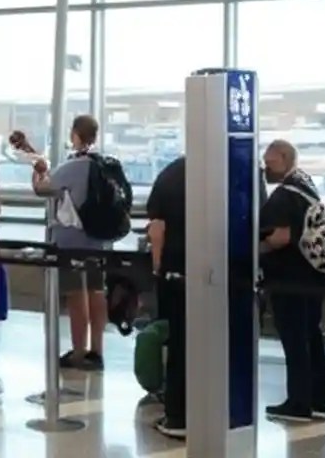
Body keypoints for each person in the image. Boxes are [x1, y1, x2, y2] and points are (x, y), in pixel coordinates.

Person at [259, 140, 325, 422]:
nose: (265, 169)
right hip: (313, 275)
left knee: (294, 337)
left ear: (283, 158)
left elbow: (280, 237)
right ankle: (321, 396)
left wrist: (257, 249)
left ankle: (299, 401)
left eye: (269, 162)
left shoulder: (284, 196)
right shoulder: (306, 185)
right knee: (311, 334)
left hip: (289, 277)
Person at [31, 115, 111, 371]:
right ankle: (97, 350)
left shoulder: (74, 166)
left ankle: (78, 351)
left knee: (77, 293)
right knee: (96, 291)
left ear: (75, 134)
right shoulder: (104, 164)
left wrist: (37, 171)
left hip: (71, 240)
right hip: (98, 238)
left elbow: (42, 189)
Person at [146, 155, 186, 440]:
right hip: (225, 274)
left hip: (177, 271)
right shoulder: (234, 171)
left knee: (179, 342)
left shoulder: (171, 174)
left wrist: (157, 265)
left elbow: (157, 228)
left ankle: (178, 414)